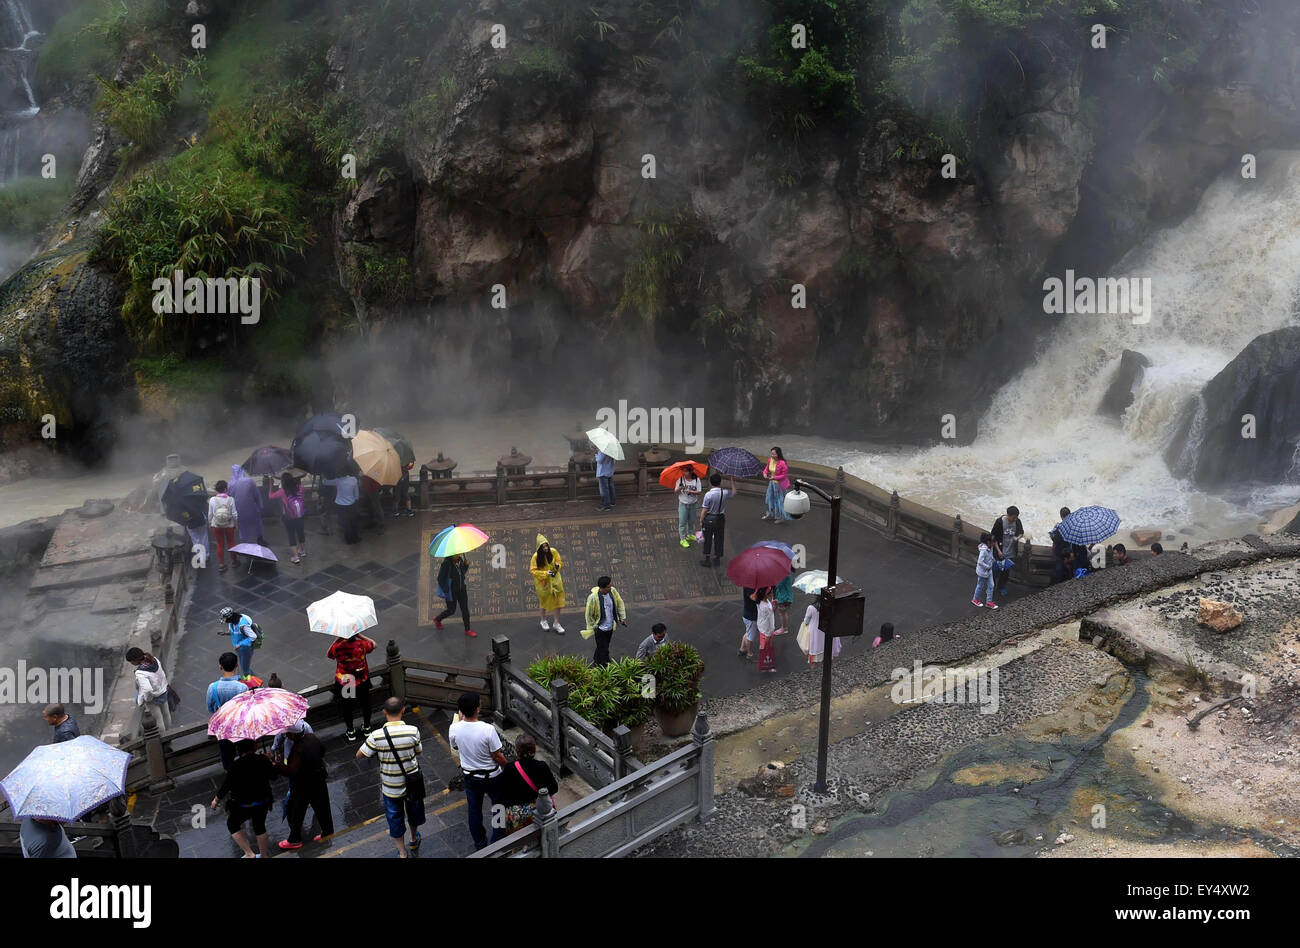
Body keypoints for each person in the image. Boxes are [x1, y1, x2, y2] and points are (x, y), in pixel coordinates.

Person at [356, 697, 425, 857]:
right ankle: (414, 839)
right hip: (413, 783)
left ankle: (402, 853)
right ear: (403, 710)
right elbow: (418, 751)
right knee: (414, 812)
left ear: (384, 712)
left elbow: (360, 755)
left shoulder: (376, 736)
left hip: (390, 786)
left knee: (395, 818)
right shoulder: (413, 730)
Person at [448, 692, 507, 851]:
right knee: (498, 806)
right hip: (492, 776)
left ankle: (480, 843)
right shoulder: (487, 729)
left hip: (470, 776)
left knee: (474, 810)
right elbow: (496, 755)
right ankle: (498, 839)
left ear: (460, 711)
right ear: (478, 709)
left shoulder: (454, 728)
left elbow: (455, 747)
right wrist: (509, 767)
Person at [274, 721, 334, 850]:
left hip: (303, 785)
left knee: (296, 812)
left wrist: (277, 765)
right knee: (322, 807)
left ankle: (294, 839)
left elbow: (292, 770)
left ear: (292, 735)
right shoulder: (312, 738)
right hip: (319, 779)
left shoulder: (298, 748)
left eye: (288, 733)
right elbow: (323, 750)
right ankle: (327, 832)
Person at [210, 739, 275, 858]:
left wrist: (216, 800)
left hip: (244, 804)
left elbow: (226, 785)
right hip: (263, 800)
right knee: (259, 826)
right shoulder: (263, 760)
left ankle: (249, 853)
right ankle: (264, 855)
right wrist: (269, 761)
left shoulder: (235, 766)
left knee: (232, 824)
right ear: (254, 747)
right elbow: (274, 776)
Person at [493, 734, 558, 833]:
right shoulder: (542, 766)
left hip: (517, 815)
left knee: (519, 842)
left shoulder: (510, 768)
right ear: (534, 749)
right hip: (539, 812)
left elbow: (503, 793)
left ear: (517, 751)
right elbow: (554, 788)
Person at [328, 632, 376, 742]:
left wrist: (337, 639)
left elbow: (329, 654)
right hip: (361, 680)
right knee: (365, 704)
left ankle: (351, 731)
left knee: (347, 706)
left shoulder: (338, 647)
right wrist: (360, 635)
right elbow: (374, 644)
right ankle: (367, 728)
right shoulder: (362, 644)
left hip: (347, 682)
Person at [206, 652, 249, 771]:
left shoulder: (212, 687)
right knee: (244, 753)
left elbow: (210, 708)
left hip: (223, 728)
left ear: (220, 667)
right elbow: (246, 708)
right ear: (236, 665)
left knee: (227, 758)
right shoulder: (242, 687)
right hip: (240, 727)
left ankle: (232, 778)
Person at [125, 647, 173, 730]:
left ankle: (165, 737)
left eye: (131, 661)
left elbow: (147, 690)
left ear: (134, 660)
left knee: (158, 719)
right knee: (166, 714)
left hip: (154, 698)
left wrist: (147, 699)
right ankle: (170, 732)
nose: (131, 663)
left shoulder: (140, 673)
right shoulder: (154, 660)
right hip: (163, 691)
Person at [584, 575, 627, 666]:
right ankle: (605, 664)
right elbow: (589, 614)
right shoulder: (592, 598)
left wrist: (622, 617)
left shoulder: (613, 591)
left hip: (610, 626)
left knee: (603, 646)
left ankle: (596, 661)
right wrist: (594, 626)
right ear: (602, 588)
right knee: (604, 649)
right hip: (600, 629)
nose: (610, 587)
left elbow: (619, 603)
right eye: (608, 586)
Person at [530, 534, 566, 633]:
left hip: (555, 581)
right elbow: (533, 571)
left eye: (546, 546)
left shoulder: (553, 552)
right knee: (544, 601)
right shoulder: (535, 557)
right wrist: (545, 573)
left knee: (558, 601)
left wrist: (558, 565)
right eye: (543, 547)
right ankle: (543, 620)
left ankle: (556, 623)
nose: (546, 548)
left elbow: (559, 561)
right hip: (543, 583)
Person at [699, 472, 736, 568]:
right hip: (720, 519)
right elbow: (734, 492)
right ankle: (717, 558)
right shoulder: (725, 492)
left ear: (711, 483)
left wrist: (701, 520)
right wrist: (732, 480)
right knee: (719, 539)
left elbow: (705, 509)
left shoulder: (708, 495)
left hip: (709, 519)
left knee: (708, 539)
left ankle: (707, 559)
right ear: (720, 482)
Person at [268, 473, 307, 564]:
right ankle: (302, 551)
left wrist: (271, 485)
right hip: (300, 515)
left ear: (283, 481)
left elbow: (271, 496)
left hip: (289, 517)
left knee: (291, 535)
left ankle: (296, 557)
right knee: (300, 532)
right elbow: (304, 490)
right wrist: (299, 483)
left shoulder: (282, 491)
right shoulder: (298, 487)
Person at [434, 553, 474, 638]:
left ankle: (468, 629)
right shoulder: (446, 563)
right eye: (456, 554)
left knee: (465, 610)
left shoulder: (460, 560)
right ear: (451, 554)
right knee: (451, 610)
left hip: (462, 589)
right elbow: (440, 578)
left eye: (458, 553)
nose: (458, 554)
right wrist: (446, 589)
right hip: (451, 591)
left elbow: (462, 574)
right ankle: (438, 619)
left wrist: (466, 566)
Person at [229, 465, 266, 547]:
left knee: (243, 527)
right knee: (256, 524)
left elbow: (230, 497)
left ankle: (246, 544)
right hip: (251, 508)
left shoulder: (231, 484)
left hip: (239, 510)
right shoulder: (249, 481)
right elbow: (256, 494)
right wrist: (260, 505)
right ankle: (260, 540)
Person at [990, 506, 1023, 597]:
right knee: (995, 570)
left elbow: (1021, 533)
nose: (1015, 519)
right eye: (1014, 517)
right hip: (999, 551)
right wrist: (998, 551)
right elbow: (993, 537)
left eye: (1016, 517)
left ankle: (1001, 587)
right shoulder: (999, 522)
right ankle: (991, 586)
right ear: (1008, 515)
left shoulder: (1017, 521)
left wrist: (1017, 538)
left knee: (1006, 572)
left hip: (1010, 552)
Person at [798, 600, 842, 667]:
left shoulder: (811, 608)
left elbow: (806, 621)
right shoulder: (833, 605)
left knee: (813, 657)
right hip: (829, 632)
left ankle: (814, 674)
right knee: (828, 654)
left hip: (816, 636)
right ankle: (827, 671)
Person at [322, 467, 360, 544]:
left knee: (345, 523)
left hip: (340, 505)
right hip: (352, 504)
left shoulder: (338, 481)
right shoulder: (353, 479)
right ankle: (355, 538)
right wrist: (356, 499)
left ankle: (349, 540)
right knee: (353, 521)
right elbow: (356, 493)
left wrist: (323, 477)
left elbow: (325, 482)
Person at [207, 480, 239, 571]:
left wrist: (210, 523)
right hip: (229, 525)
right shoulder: (231, 499)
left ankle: (221, 564)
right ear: (225, 489)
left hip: (216, 525)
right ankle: (234, 561)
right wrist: (236, 523)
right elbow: (234, 514)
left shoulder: (212, 500)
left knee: (220, 544)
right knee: (231, 542)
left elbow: (210, 514)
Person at [219, 605, 258, 677]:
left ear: (229, 618)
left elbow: (253, 636)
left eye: (226, 620)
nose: (226, 622)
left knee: (245, 671)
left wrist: (241, 644)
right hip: (239, 649)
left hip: (246, 649)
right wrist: (225, 633)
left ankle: (257, 685)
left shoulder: (242, 625)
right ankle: (254, 681)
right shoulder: (232, 623)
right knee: (245, 668)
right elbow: (234, 632)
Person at [674, 465, 702, 548]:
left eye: (686, 471)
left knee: (691, 520)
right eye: (684, 471)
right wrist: (680, 487)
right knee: (682, 522)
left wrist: (691, 491)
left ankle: (690, 534)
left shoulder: (696, 480)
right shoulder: (680, 480)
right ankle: (682, 539)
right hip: (683, 504)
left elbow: (699, 492)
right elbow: (675, 491)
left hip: (693, 504)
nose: (684, 473)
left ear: (690, 472)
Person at [762, 447, 791, 522]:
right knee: (769, 498)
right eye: (771, 453)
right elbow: (767, 469)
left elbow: (784, 475)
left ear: (778, 454)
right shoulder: (770, 460)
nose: (772, 455)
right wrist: (765, 473)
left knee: (779, 501)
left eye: (774, 454)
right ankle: (769, 514)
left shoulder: (782, 463)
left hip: (779, 484)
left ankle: (780, 517)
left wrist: (774, 477)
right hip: (772, 483)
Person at [755, 586, 778, 672]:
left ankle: (764, 663)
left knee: (763, 646)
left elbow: (767, 615)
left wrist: (773, 606)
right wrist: (768, 635)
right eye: (771, 592)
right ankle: (766, 666)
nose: (772, 593)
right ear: (766, 595)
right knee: (766, 647)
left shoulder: (762, 602)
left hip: (762, 629)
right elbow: (770, 622)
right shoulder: (766, 607)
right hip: (767, 632)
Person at [973, 532, 998, 609]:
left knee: (991, 585)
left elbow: (990, 556)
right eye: (993, 541)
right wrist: (987, 566)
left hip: (989, 571)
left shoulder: (991, 547)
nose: (995, 543)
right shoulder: (983, 551)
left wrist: (993, 560)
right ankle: (975, 599)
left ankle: (989, 602)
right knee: (980, 585)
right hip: (983, 572)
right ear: (988, 542)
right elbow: (980, 561)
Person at [1049, 507, 1071, 585]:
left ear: (1061, 516)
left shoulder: (1058, 526)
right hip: (1068, 553)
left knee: (1058, 570)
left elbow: (1053, 537)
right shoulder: (1073, 527)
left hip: (1058, 552)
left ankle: (1054, 586)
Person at [738, 585, 759, 659]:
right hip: (750, 616)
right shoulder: (750, 586)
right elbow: (754, 598)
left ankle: (742, 649)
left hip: (748, 614)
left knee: (748, 632)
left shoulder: (750, 583)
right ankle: (749, 654)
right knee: (750, 637)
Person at [774, 564, 795, 633]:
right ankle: (784, 627)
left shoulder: (784, 574)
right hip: (785, 596)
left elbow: (778, 585)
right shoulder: (786, 572)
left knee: (782, 613)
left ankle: (784, 628)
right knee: (783, 612)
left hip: (784, 598)